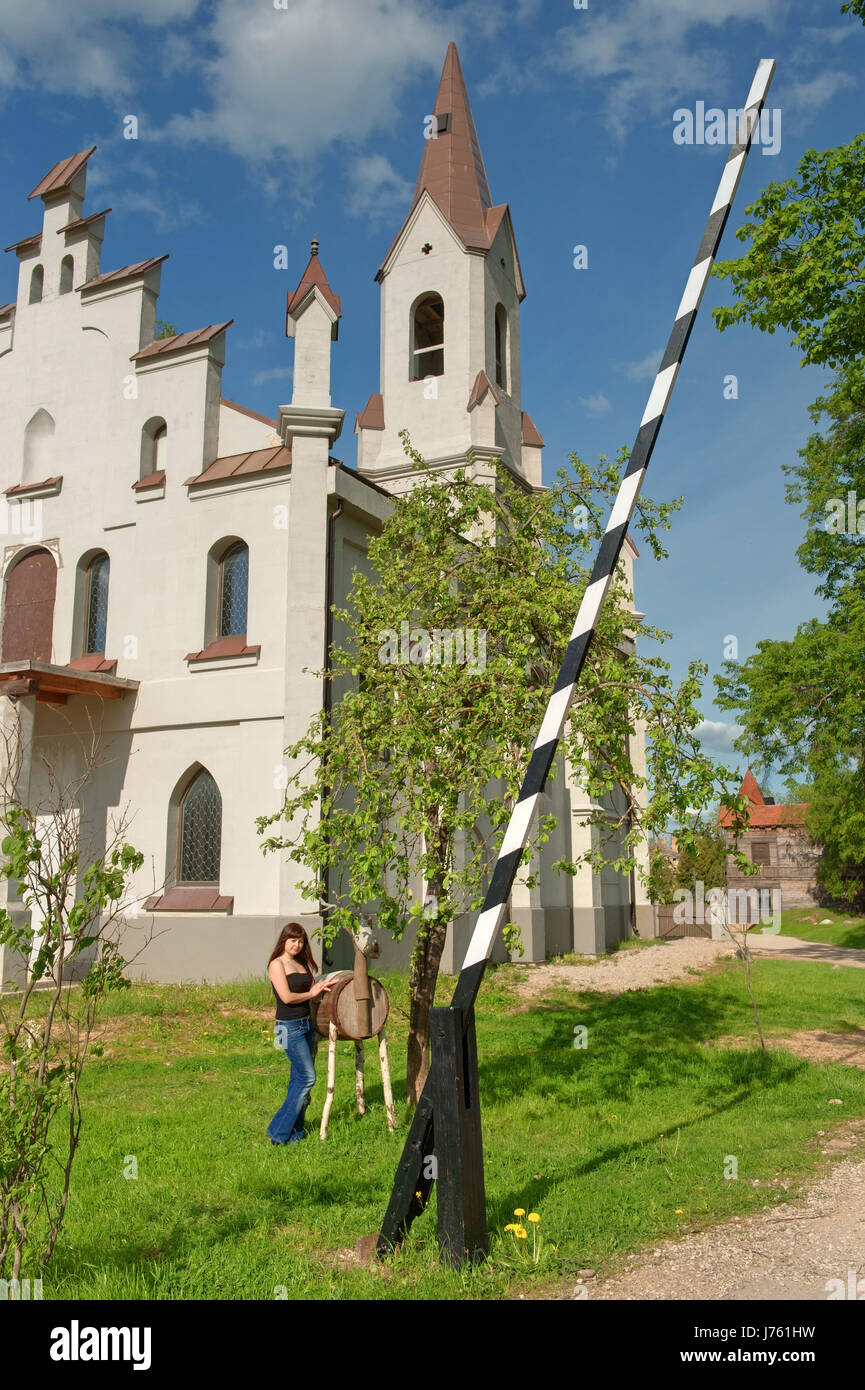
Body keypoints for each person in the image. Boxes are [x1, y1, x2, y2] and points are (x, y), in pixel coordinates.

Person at [266, 923, 335, 1145]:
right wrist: (311, 992)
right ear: (284, 940)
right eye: (293, 940)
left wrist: (322, 988)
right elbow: (286, 998)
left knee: (297, 1078)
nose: (297, 945)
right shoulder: (276, 965)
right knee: (308, 1077)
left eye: (301, 941)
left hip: (306, 1025)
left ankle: (296, 1134)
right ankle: (277, 1132)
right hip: (287, 1028)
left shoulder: (301, 963)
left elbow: (312, 992)